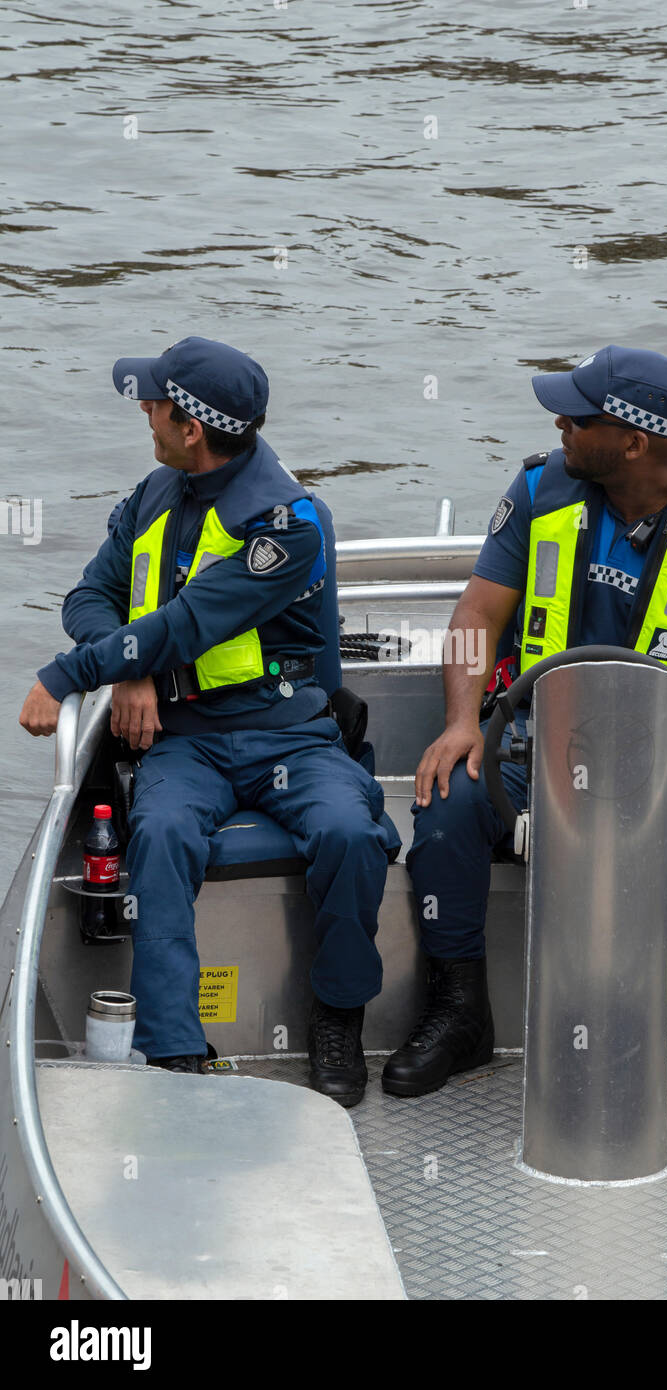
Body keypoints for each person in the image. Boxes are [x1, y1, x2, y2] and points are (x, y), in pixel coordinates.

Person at [383, 344, 667, 1115]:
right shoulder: (541, 487)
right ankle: (459, 1012)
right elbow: (477, 616)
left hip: (665, 758)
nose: (559, 422)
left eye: (578, 415)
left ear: (634, 442)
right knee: (446, 797)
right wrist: (460, 723)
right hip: (534, 742)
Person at [19, 336, 396, 1106]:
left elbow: (188, 623)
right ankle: (173, 1051)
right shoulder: (154, 493)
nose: (145, 413)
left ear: (191, 428)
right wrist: (129, 667)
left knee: (349, 834)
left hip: (290, 733)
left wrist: (68, 675)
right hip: (187, 740)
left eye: (153, 402)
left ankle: (338, 1017)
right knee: (159, 837)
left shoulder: (287, 526)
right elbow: (86, 598)